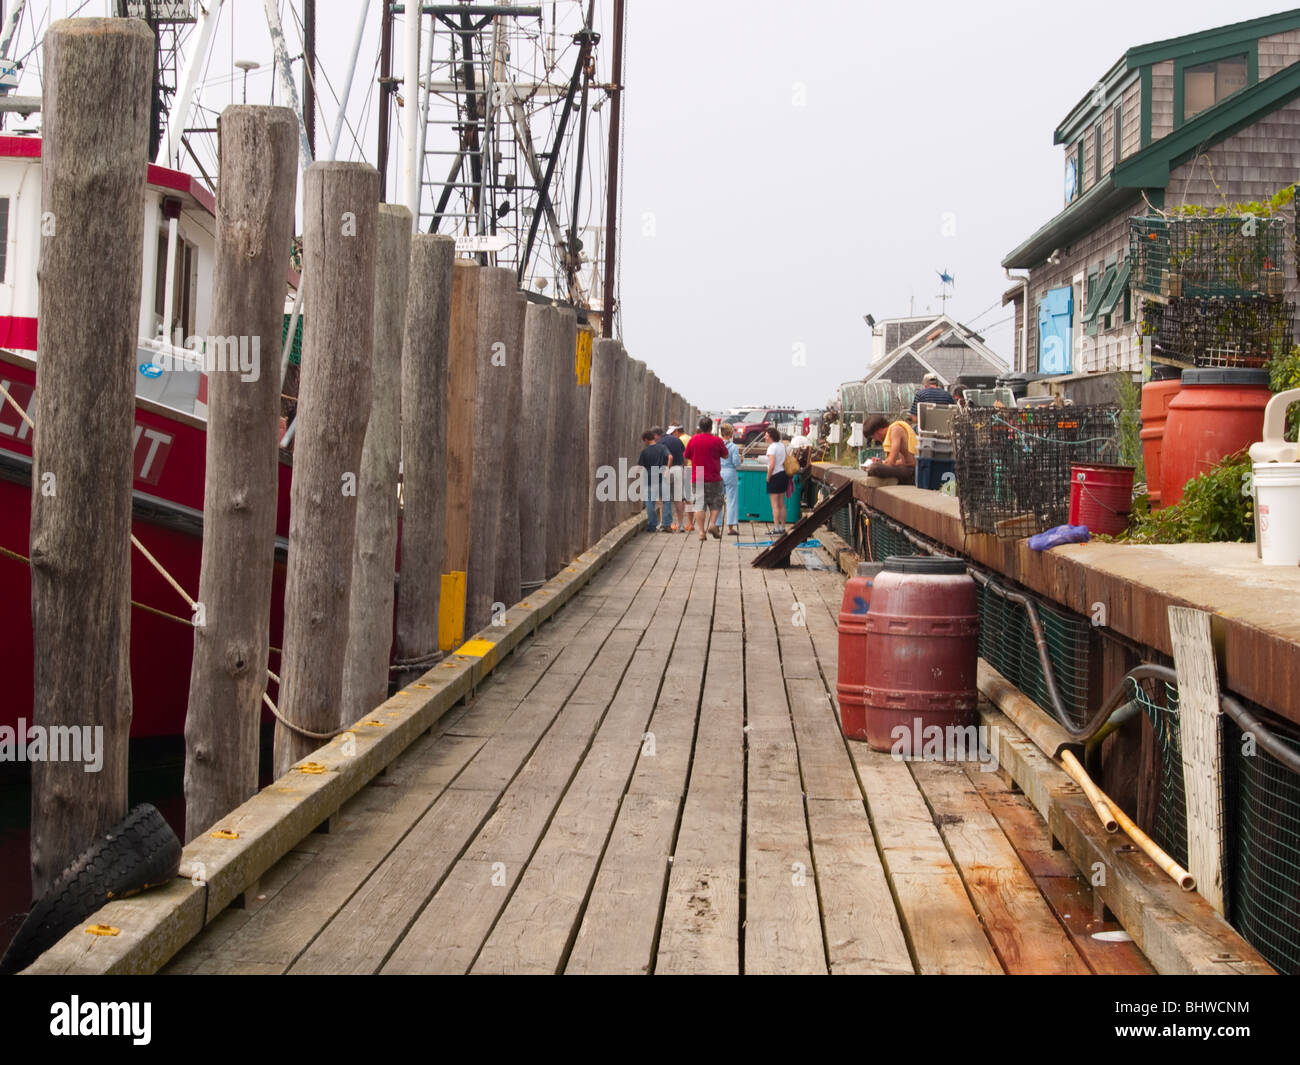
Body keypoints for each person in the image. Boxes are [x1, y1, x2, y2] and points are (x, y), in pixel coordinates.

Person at [684, 416, 729, 541]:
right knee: (717, 501)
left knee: (699, 504)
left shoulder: (693, 440)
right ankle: (713, 524)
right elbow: (726, 455)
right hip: (713, 475)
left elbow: (687, 456)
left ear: (700, 427)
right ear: (711, 427)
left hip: (697, 474)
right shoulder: (717, 441)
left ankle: (701, 532)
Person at [861, 413, 918, 482]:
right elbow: (904, 461)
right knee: (876, 467)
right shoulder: (895, 429)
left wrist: (879, 465)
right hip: (909, 468)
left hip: (913, 472)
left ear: (877, 433)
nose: (876, 440)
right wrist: (882, 463)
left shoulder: (895, 430)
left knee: (874, 468)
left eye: (873, 437)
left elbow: (891, 462)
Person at [637, 429, 670, 532]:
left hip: (650, 479)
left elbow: (640, 467)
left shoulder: (645, 451)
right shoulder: (662, 447)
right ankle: (666, 524)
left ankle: (652, 525)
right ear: (654, 437)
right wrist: (667, 469)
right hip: (662, 478)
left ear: (646, 440)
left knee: (649, 503)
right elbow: (670, 456)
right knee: (665, 501)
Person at [657, 425, 686, 531]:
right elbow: (684, 456)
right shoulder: (678, 441)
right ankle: (681, 525)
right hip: (678, 469)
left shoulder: (660, 442)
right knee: (678, 499)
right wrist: (684, 468)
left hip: (665, 470)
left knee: (663, 499)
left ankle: (663, 523)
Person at [716, 422, 742, 536]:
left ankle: (716, 526)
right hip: (730, 473)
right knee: (732, 501)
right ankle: (730, 528)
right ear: (731, 434)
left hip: (718, 473)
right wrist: (741, 460)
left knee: (718, 500)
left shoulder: (716, 445)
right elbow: (736, 463)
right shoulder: (733, 447)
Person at [764, 425, 790, 534]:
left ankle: (776, 527)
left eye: (766, 435)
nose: (765, 437)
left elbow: (772, 464)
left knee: (774, 505)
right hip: (783, 474)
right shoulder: (781, 446)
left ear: (771, 436)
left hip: (775, 476)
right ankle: (783, 527)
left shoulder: (771, 448)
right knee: (781, 503)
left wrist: (768, 477)